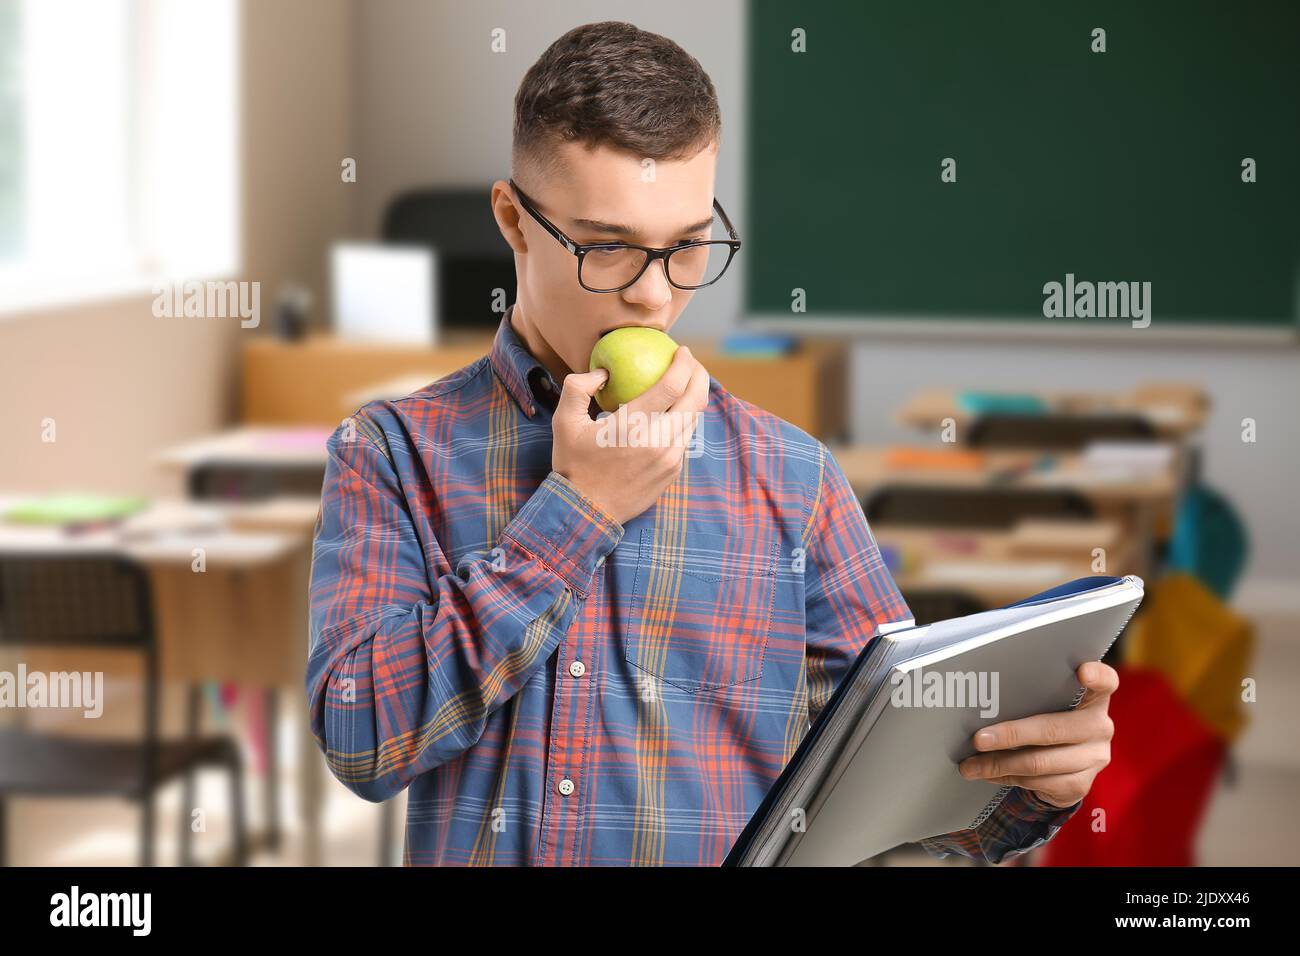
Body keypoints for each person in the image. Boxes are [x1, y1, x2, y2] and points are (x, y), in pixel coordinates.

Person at [306, 20, 1116, 866]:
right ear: (513, 220)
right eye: (609, 247)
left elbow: (888, 814)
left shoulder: (793, 480)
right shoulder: (391, 452)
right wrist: (576, 515)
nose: (655, 296)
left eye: (688, 247)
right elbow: (361, 741)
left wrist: (1030, 785)